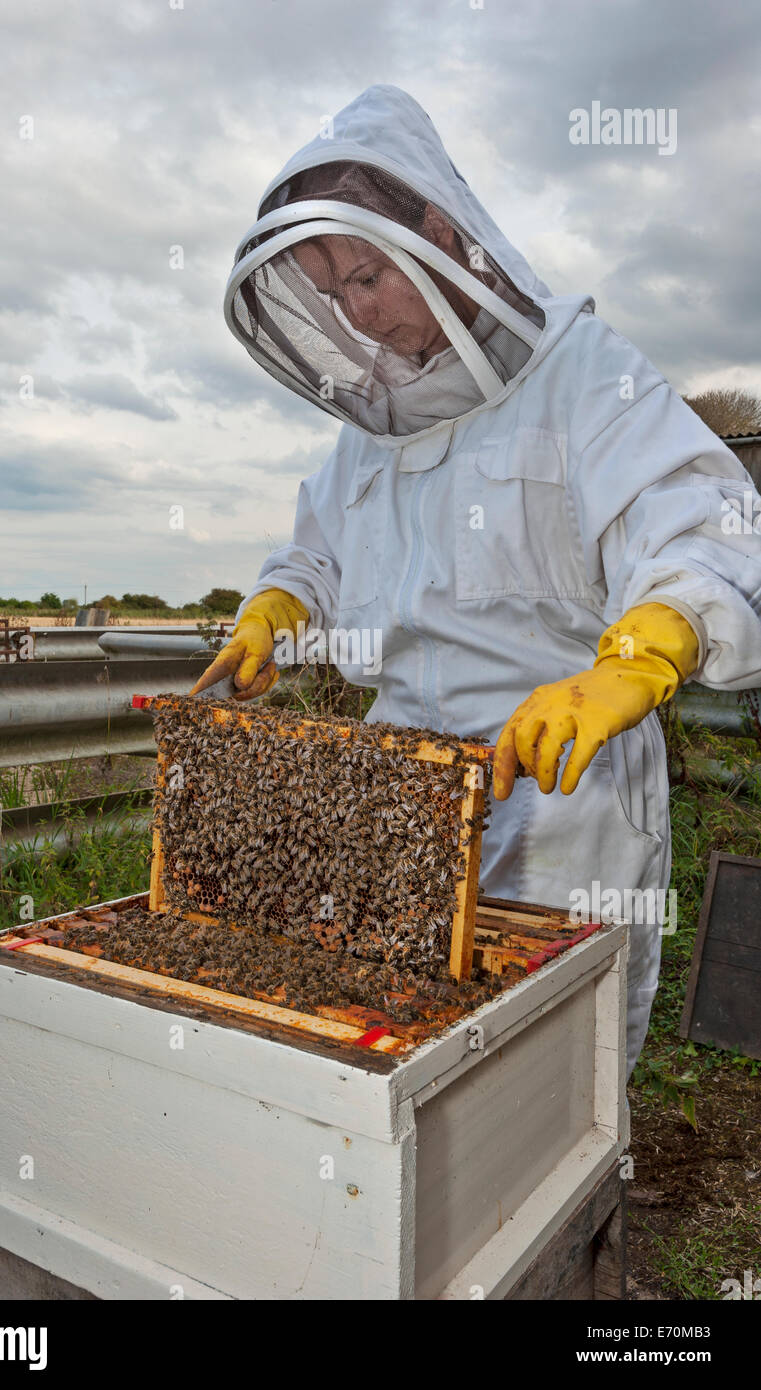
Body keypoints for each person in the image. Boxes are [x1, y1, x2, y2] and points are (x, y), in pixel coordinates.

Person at [195, 84, 761, 1075]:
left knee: (545, 1098)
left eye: (368, 274)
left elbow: (706, 530)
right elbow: (315, 553)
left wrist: (638, 656)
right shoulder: (368, 428)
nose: (357, 311)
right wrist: (278, 607)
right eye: (335, 295)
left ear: (443, 232)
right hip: (402, 795)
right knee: (401, 1062)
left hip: (562, 795)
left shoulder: (584, 374)